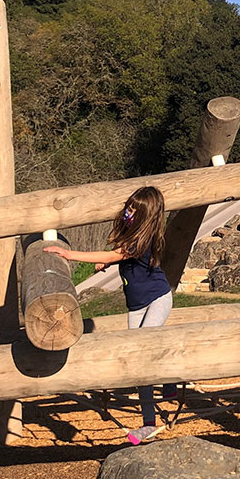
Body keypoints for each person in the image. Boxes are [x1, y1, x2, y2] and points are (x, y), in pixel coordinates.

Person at [45, 186, 176, 445]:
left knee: (142, 350)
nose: (127, 213)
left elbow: (117, 253)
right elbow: (122, 257)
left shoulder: (144, 237)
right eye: (128, 207)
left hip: (158, 299)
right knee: (139, 364)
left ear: (146, 216)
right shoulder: (134, 236)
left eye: (134, 210)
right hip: (137, 304)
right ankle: (148, 423)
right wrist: (109, 262)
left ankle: (173, 376)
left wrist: (70, 255)